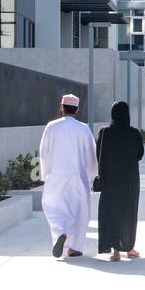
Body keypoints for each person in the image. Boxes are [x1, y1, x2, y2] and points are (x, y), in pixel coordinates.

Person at [39, 93, 99, 260]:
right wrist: (91, 175)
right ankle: (74, 248)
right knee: (80, 211)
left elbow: (44, 152)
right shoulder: (84, 128)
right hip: (78, 176)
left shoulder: (51, 126)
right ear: (77, 109)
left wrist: (45, 174)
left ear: (61, 107)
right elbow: (91, 154)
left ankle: (59, 232)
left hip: (56, 175)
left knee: (53, 206)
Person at [95, 100, 144, 262]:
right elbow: (139, 155)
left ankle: (115, 252)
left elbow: (98, 155)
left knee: (111, 212)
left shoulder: (104, 133)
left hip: (110, 179)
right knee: (128, 212)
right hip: (129, 179)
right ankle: (128, 248)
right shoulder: (134, 133)